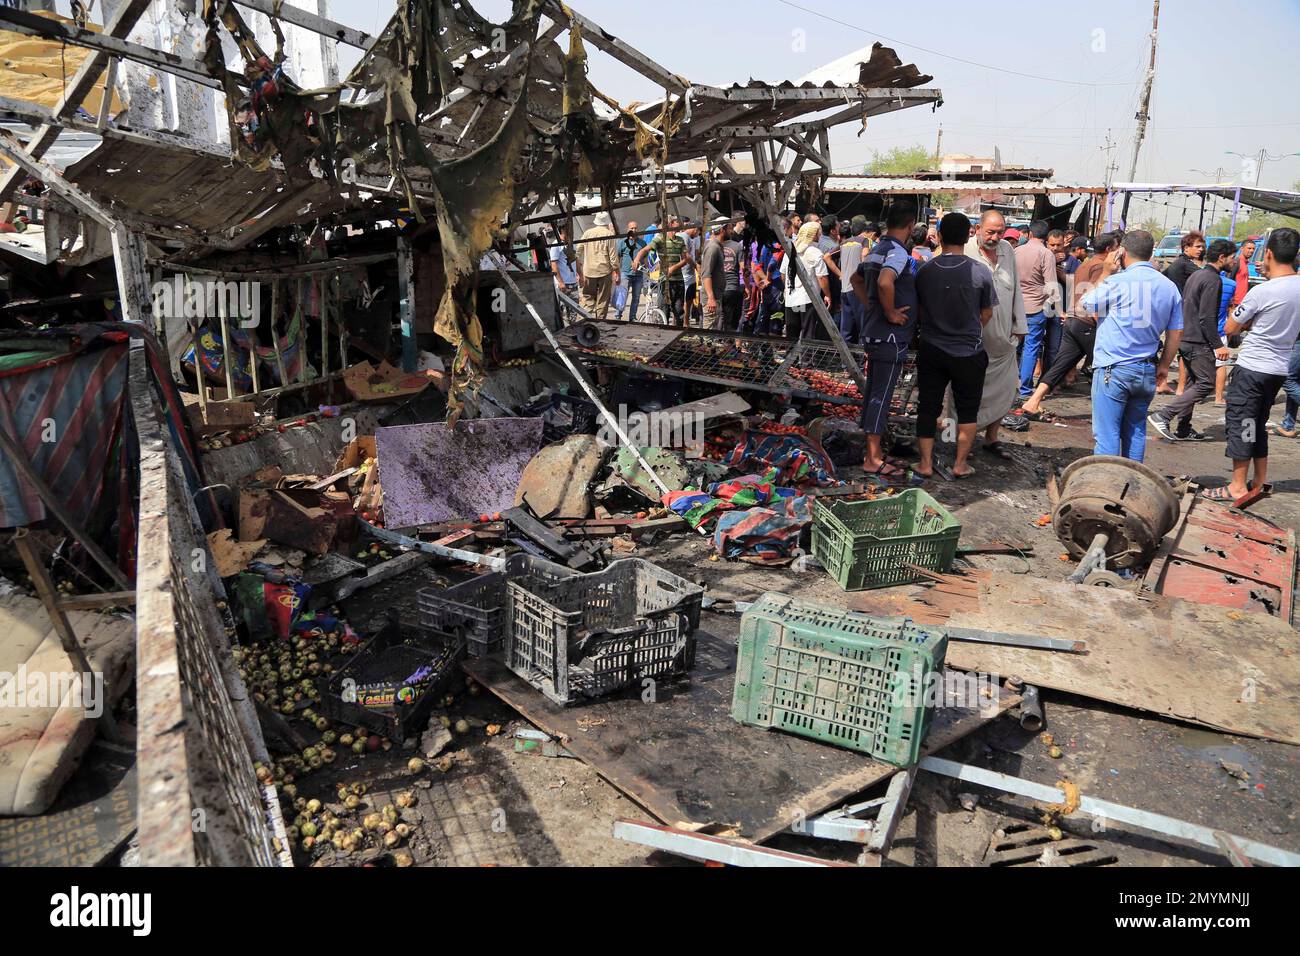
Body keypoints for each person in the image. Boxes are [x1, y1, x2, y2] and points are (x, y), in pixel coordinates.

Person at [1204, 228, 1300, 500]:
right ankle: (1259, 480)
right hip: (1278, 368)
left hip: (1253, 367)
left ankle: (1237, 485)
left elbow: (1232, 326)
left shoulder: (1263, 291)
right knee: (1258, 423)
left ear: (1268, 253)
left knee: (1243, 422)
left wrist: (1249, 320)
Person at [1078, 230, 1183, 462]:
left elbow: (1085, 303)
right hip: (1146, 370)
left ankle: (1105, 488)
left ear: (1122, 252)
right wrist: (1165, 366)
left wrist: (1105, 272)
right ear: (1151, 252)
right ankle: (1130, 487)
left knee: (1107, 435)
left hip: (1113, 369)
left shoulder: (1116, 282)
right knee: (1135, 433)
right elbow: (1175, 333)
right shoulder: (1169, 287)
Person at [913, 212, 996, 479]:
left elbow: (920, 311)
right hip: (969, 352)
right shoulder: (980, 271)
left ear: (938, 236)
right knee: (968, 409)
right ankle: (960, 464)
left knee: (928, 406)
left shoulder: (926, 271)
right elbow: (986, 314)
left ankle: (925, 464)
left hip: (932, 349)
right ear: (970, 234)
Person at [851, 202, 919, 478]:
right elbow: (885, 282)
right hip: (889, 337)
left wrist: (871, 306)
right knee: (881, 395)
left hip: (873, 332)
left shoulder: (876, 249)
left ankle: (874, 452)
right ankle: (873, 458)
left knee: (873, 392)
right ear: (911, 226)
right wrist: (889, 311)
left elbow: (855, 280)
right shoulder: (898, 252)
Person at [1021, 232, 1120, 416]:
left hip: (1074, 321)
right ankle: (1111, 411)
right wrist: (1102, 327)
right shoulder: (1100, 267)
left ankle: (1033, 401)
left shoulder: (1086, 264)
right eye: (1116, 248)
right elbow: (1096, 298)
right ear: (1108, 249)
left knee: (1060, 365)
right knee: (1107, 367)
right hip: (1088, 323)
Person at [1149, 239, 1238, 442]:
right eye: (1232, 258)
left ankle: (1183, 427)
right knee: (1206, 383)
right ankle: (1164, 415)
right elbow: (1207, 317)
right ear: (1222, 258)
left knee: (1192, 384)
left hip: (1186, 337)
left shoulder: (1197, 274)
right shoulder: (1213, 279)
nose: (1235, 262)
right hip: (1199, 341)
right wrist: (1218, 345)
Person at [959, 210, 1026, 460]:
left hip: (1003, 337)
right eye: (990, 232)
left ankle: (991, 438)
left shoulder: (1008, 250)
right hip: (972, 338)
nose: (995, 237)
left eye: (999, 232)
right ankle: (965, 440)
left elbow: (1016, 288)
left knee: (1005, 388)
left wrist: (1020, 327)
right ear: (978, 229)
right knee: (968, 390)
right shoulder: (965, 250)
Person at [1014, 220, 1064, 398]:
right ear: (1045, 236)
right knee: (1031, 348)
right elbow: (1051, 286)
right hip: (1037, 308)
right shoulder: (1046, 254)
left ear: (1030, 234)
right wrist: (1059, 309)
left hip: (1016, 306)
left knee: (1013, 347)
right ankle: (1025, 389)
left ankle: (1008, 384)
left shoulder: (1017, 251)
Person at [632, 220, 688, 324]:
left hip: (678, 280)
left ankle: (678, 335)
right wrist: (636, 260)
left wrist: (673, 268)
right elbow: (644, 250)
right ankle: (663, 336)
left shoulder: (681, 240)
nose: (679, 225)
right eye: (676, 222)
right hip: (664, 280)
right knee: (664, 309)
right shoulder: (660, 238)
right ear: (670, 224)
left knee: (679, 310)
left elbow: (685, 259)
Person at [782, 220, 830, 339]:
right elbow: (822, 277)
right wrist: (828, 295)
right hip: (808, 299)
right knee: (808, 334)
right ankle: (807, 358)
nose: (820, 236)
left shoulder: (789, 250)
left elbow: (783, 274)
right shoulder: (815, 252)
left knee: (792, 334)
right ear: (813, 235)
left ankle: (790, 357)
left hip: (792, 298)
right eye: (818, 233)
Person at [577, 211, 620, 320]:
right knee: (602, 301)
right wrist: (617, 273)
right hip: (604, 272)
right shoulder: (609, 234)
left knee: (588, 300)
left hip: (589, 271)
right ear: (607, 222)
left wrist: (579, 267)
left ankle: (584, 322)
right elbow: (613, 257)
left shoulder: (587, 233)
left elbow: (578, 251)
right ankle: (599, 325)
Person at [836, 216, 871, 344]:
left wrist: (841, 274)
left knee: (846, 328)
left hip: (844, 288)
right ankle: (862, 361)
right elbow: (865, 255)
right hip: (858, 289)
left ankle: (846, 362)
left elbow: (827, 257)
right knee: (863, 326)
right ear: (864, 228)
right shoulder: (864, 241)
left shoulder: (844, 243)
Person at [548, 223, 579, 325]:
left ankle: (572, 331)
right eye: (568, 230)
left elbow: (576, 261)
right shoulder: (556, 245)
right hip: (563, 284)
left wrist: (581, 275)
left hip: (573, 282)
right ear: (563, 230)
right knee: (563, 314)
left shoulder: (572, 244)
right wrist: (561, 282)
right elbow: (554, 265)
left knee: (573, 312)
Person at [700, 218, 728, 330]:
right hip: (711, 297)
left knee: (714, 329)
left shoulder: (717, 246)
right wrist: (711, 298)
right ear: (722, 230)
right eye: (729, 228)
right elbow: (706, 274)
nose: (731, 230)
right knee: (709, 332)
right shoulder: (713, 248)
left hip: (716, 295)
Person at [616, 221, 647, 321]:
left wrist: (649, 269)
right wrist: (616, 273)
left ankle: (632, 317)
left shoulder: (642, 243)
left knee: (636, 298)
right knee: (622, 296)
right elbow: (617, 257)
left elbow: (645, 258)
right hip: (625, 273)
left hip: (638, 275)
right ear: (627, 230)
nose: (633, 230)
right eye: (631, 228)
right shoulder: (622, 242)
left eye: (635, 228)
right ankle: (618, 316)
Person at [679, 221, 701, 326]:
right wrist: (696, 266)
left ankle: (683, 324)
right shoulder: (685, 237)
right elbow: (686, 256)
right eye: (698, 232)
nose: (698, 235)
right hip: (686, 275)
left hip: (687, 274)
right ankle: (685, 324)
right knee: (687, 302)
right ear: (695, 229)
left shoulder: (683, 236)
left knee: (685, 301)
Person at [1232, 238, 1256, 307]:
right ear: (1242, 249)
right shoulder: (1237, 262)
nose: (1252, 251)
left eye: (1253, 249)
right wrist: (1230, 302)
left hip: (1242, 302)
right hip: (1234, 303)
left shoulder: (1245, 263)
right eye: (1249, 248)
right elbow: (1229, 280)